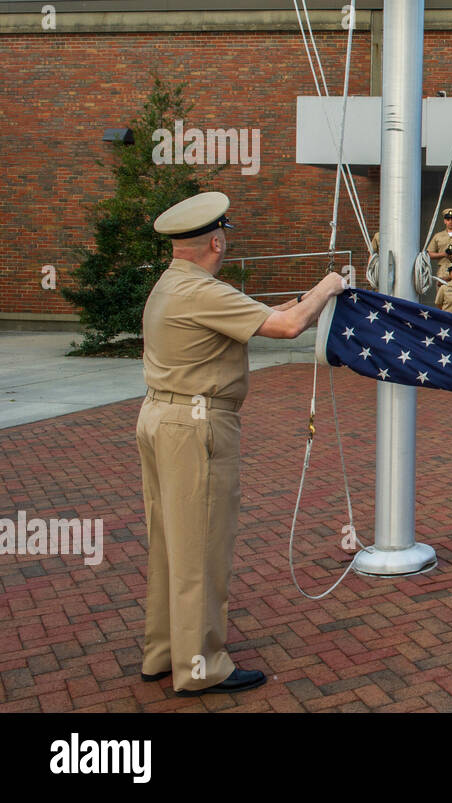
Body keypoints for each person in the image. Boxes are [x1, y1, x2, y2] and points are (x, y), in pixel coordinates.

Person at [137, 191, 345, 695]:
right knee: (202, 548)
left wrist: (306, 298)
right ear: (215, 240)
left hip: (161, 417)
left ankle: (164, 652)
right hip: (196, 425)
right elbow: (287, 325)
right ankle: (201, 666)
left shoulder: (174, 284)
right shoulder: (203, 290)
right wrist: (330, 284)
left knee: (170, 546)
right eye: (224, 234)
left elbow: (263, 314)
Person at [426, 207, 452, 272]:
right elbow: (429, 254)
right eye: (448, 219)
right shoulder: (437, 236)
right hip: (443, 270)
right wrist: (444, 254)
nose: (450, 222)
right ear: (445, 221)